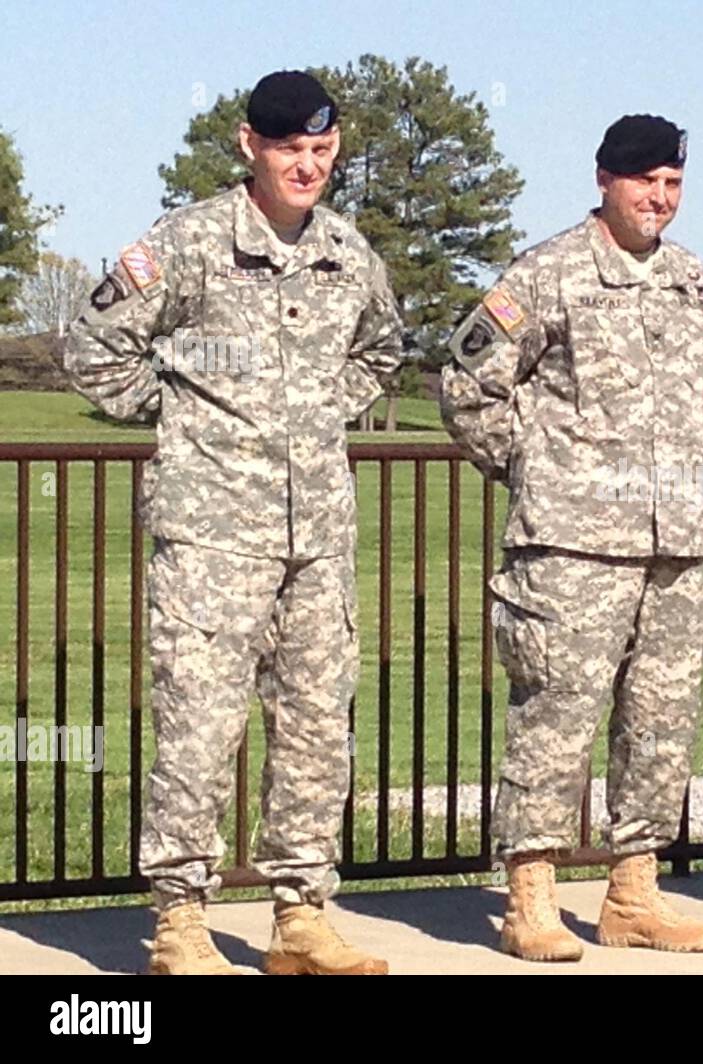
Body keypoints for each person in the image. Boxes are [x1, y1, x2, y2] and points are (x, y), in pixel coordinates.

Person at [64, 70, 402, 974]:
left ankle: (301, 914)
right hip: (210, 536)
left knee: (316, 728)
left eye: (323, 150)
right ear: (250, 144)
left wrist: (316, 411)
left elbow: (381, 348)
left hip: (317, 537)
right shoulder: (189, 243)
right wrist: (182, 415)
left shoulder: (345, 252)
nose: (309, 165)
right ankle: (179, 921)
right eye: (291, 148)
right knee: (201, 729)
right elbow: (95, 350)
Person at [441, 114, 703, 962]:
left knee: (661, 720)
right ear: (604, 179)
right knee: (556, 719)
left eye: (672, 183)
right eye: (644, 182)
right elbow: (466, 381)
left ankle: (634, 893)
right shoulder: (549, 272)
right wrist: (539, 472)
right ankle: (531, 895)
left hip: (677, 546)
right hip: (569, 547)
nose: (659, 198)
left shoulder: (690, 279)